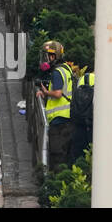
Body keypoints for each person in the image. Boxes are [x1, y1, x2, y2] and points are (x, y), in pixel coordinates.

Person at [35, 40, 76, 171]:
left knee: (57, 157)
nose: (46, 59)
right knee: (65, 156)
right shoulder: (66, 68)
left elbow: (58, 93)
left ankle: (56, 186)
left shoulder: (57, 72)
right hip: (67, 118)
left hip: (59, 121)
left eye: (48, 55)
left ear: (54, 56)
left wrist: (46, 92)